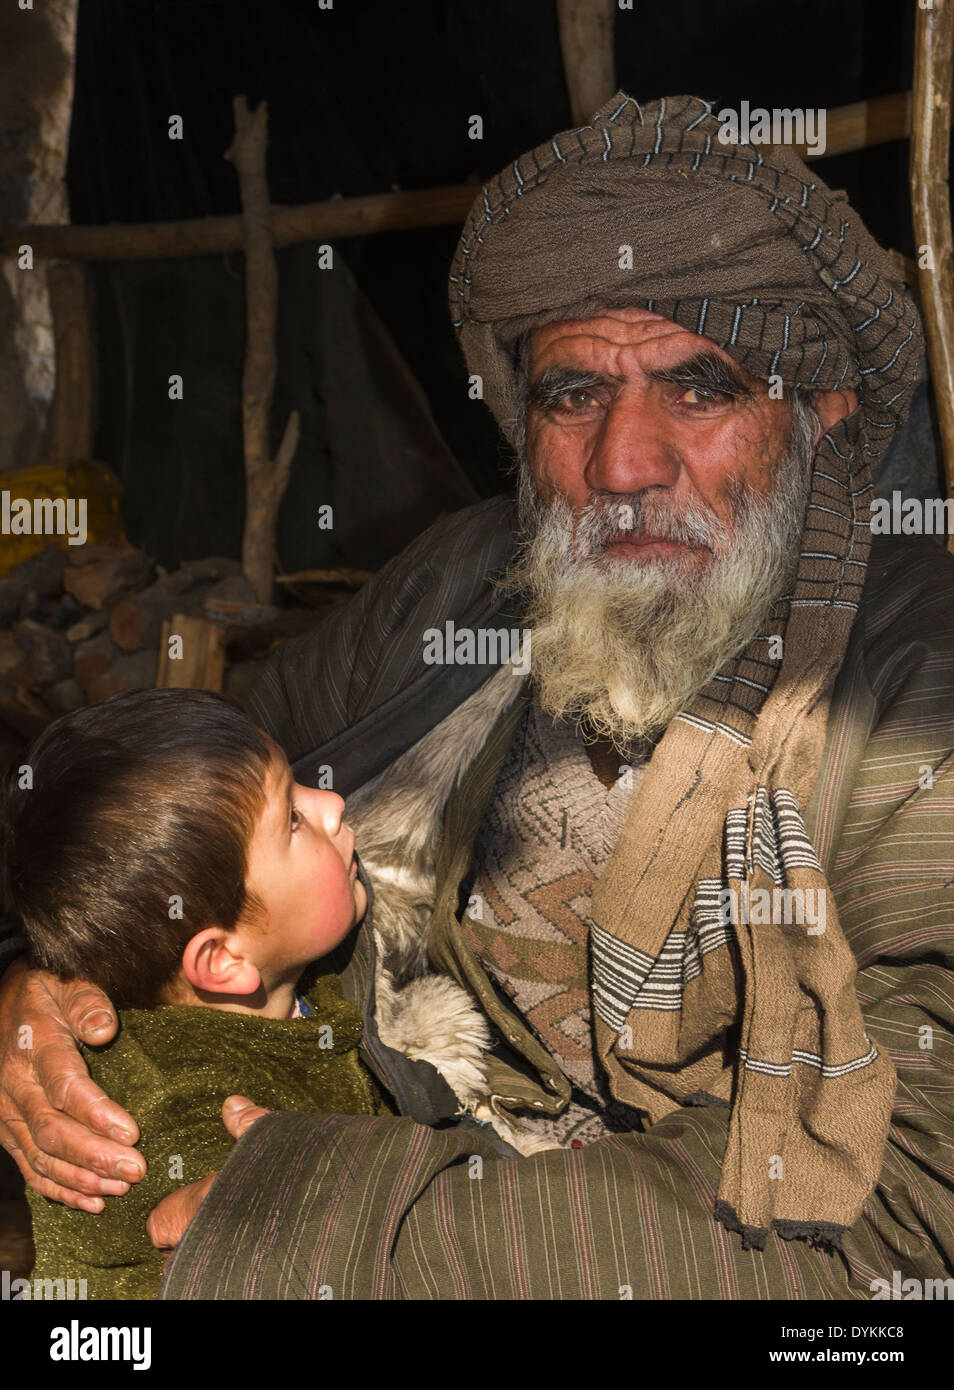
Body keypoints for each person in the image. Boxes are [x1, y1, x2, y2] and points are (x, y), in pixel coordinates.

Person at [2, 91, 953, 1299]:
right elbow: (167, 804)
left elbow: (904, 1212)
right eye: (572, 394)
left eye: (699, 388)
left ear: (819, 410)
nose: (621, 464)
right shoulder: (469, 583)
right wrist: (39, 980)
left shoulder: (917, 681)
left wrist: (359, 1221)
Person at [0, 687, 398, 1297]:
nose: (333, 803)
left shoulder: (280, 972)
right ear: (223, 959)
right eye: (292, 819)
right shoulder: (178, 1116)